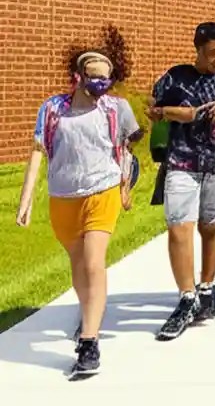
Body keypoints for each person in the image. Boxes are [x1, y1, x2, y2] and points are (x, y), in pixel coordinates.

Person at [16, 51, 142, 378]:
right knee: (77, 267)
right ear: (77, 77)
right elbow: (37, 153)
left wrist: (125, 185)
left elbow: (127, 148)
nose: (100, 83)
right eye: (94, 76)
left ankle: (89, 341)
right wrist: (25, 201)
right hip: (63, 198)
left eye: (106, 77)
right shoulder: (53, 109)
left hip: (102, 191)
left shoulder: (116, 109)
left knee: (93, 262)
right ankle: (89, 315)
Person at [147, 22, 215, 341]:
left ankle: (207, 289)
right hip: (182, 160)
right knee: (179, 225)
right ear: (199, 49)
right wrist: (184, 113)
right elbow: (153, 110)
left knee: (212, 225)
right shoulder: (175, 76)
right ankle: (186, 298)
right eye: (213, 53)